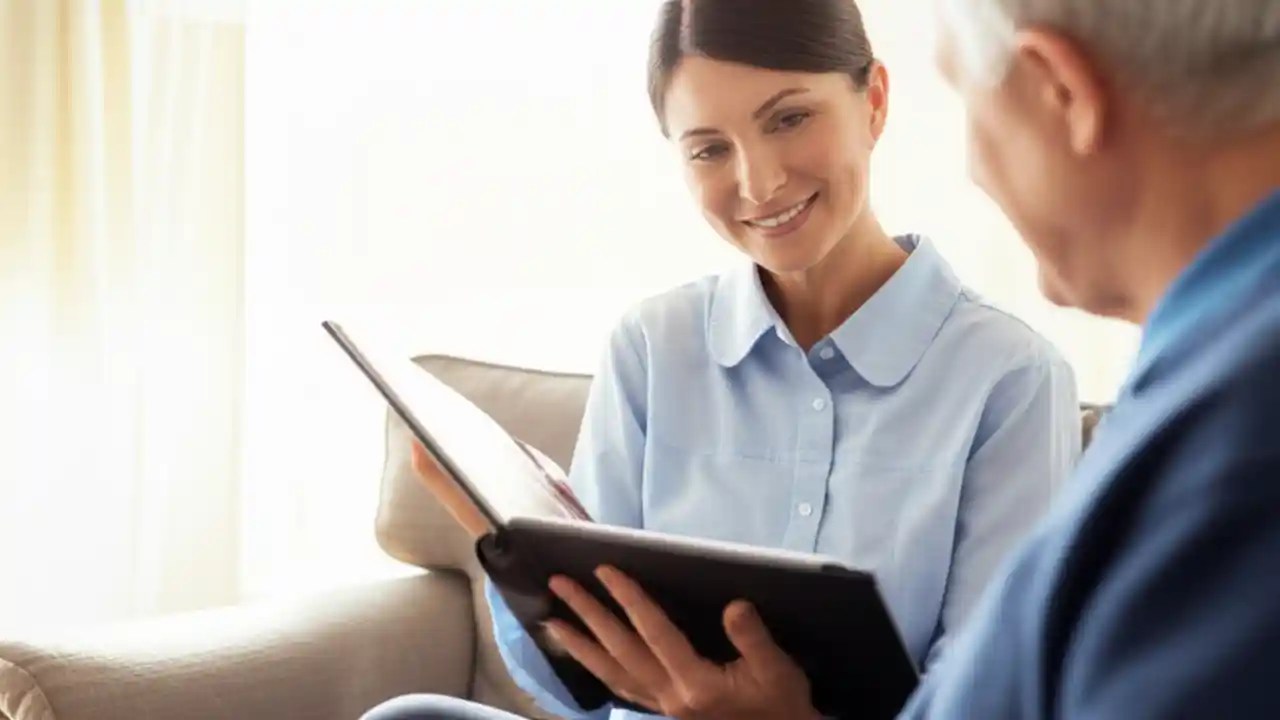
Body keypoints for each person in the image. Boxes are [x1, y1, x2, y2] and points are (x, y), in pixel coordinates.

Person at [363, 0, 1081, 718]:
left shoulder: (1010, 381)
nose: (758, 182)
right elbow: (574, 695)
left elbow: (994, 702)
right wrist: (516, 558)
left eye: (789, 118)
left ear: (875, 103)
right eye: (709, 149)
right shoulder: (651, 347)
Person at [893, 0, 1280, 717]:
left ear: (1060, 92)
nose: (973, 165)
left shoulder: (1237, 463)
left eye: (967, 97)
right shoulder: (1215, 378)